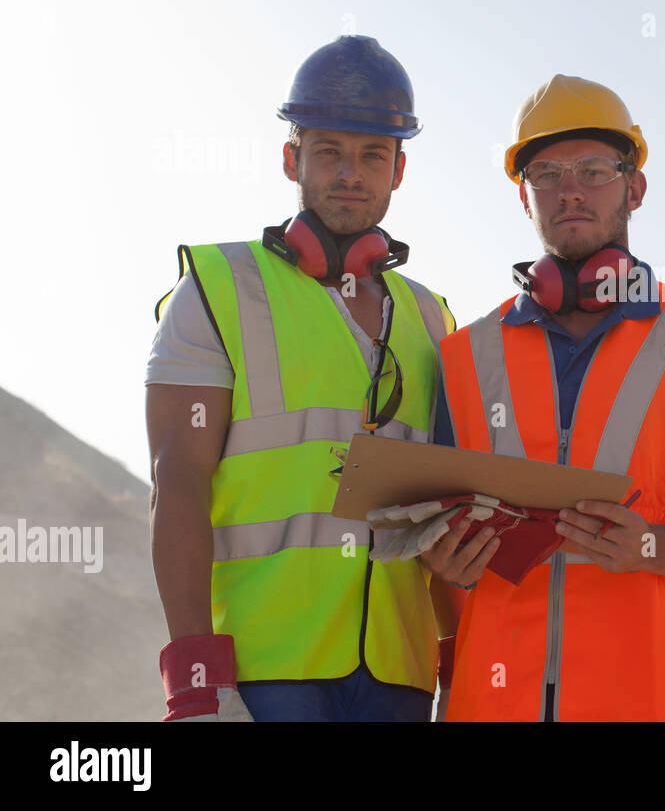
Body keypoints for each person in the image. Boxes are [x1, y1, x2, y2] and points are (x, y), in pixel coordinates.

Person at [418, 74, 665, 721]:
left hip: (652, 700)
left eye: (593, 169)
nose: (570, 190)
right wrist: (447, 565)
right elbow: (446, 557)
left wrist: (651, 548)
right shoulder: (464, 358)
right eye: (546, 173)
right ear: (523, 197)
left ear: (634, 187)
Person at [146, 36, 456, 721]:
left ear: (399, 170)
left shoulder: (433, 320)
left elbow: (446, 508)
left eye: (374, 154)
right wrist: (195, 679)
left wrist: (459, 666)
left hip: (400, 674)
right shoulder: (219, 289)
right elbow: (180, 480)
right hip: (262, 670)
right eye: (329, 152)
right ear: (293, 159)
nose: (352, 172)